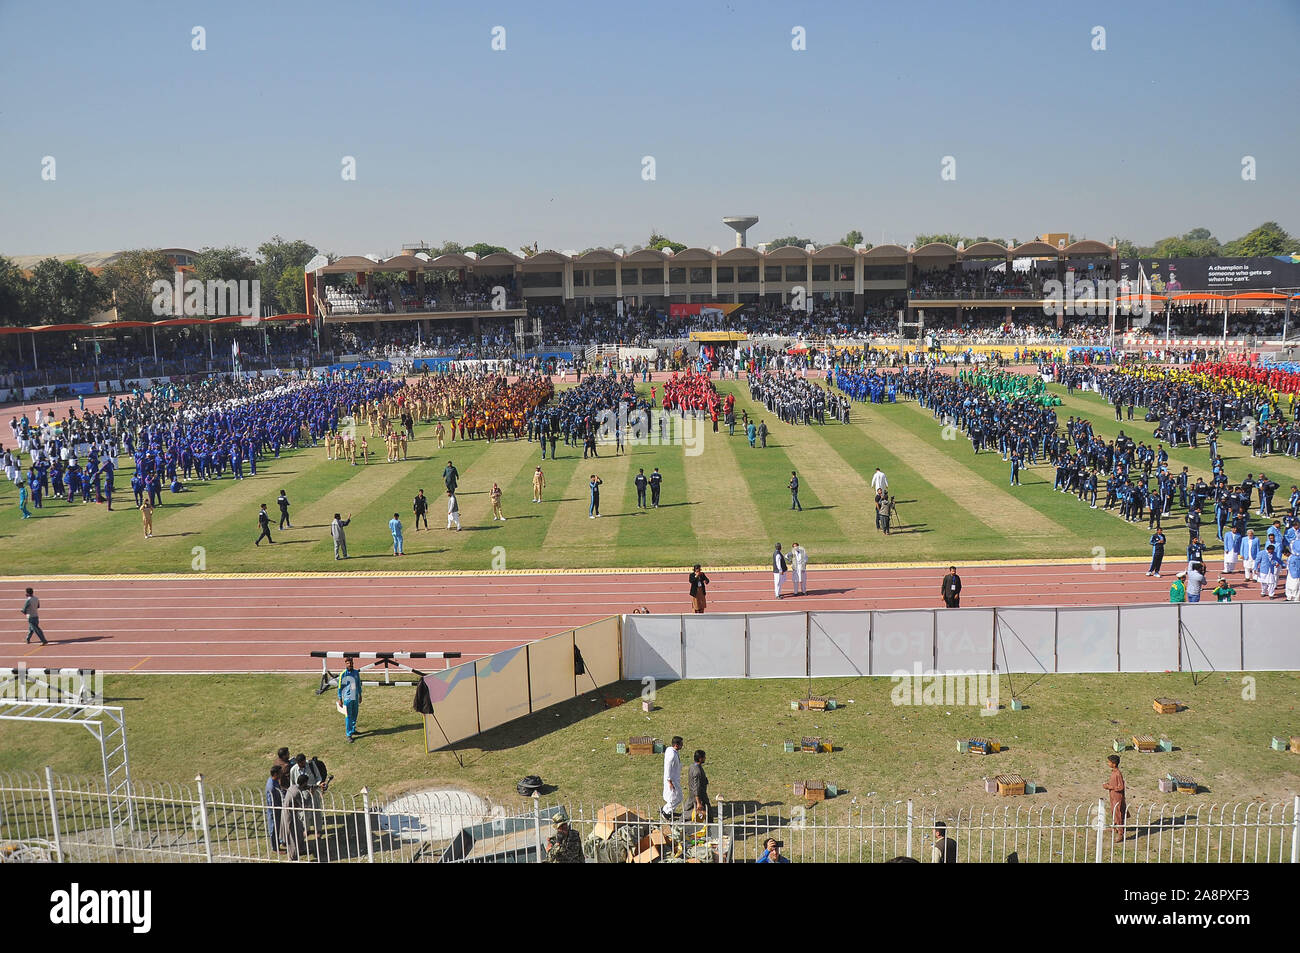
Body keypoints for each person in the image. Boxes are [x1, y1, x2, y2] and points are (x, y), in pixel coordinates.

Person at [1102, 754, 1126, 842]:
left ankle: (1120, 833)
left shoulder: (1118, 774)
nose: (1108, 763)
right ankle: (1115, 827)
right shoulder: (1114, 772)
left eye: (1109, 762)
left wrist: (1110, 787)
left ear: (1114, 764)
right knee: (1113, 811)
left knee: (1118, 813)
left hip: (1117, 796)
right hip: (1112, 795)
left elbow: (1121, 787)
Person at [338, 656, 361, 742]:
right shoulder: (343, 674)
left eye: (351, 663)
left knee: (355, 714)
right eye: (348, 663)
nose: (350, 664)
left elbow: (358, 684)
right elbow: (340, 687)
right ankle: (349, 734)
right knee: (348, 717)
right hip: (347, 699)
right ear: (345, 664)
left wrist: (360, 695)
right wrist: (340, 699)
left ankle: (353, 729)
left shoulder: (356, 673)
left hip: (355, 697)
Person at [265, 764, 285, 853]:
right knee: (273, 828)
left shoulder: (275, 781)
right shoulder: (271, 786)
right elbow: (270, 801)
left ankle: (280, 841)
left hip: (278, 808)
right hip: (274, 810)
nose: (282, 774)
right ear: (276, 774)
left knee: (279, 826)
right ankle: (275, 848)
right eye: (280, 773)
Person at [662, 735, 683, 819]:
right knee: (677, 797)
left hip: (674, 778)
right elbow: (668, 768)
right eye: (681, 744)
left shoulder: (670, 750)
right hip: (672, 779)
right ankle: (666, 812)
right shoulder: (672, 756)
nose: (682, 746)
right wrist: (669, 781)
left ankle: (670, 811)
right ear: (676, 745)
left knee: (674, 797)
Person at [688, 749, 710, 822]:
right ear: (700, 758)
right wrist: (699, 802)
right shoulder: (697, 771)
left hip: (693, 795)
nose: (705, 758)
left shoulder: (692, 766)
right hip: (700, 797)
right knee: (707, 814)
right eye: (704, 757)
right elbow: (696, 787)